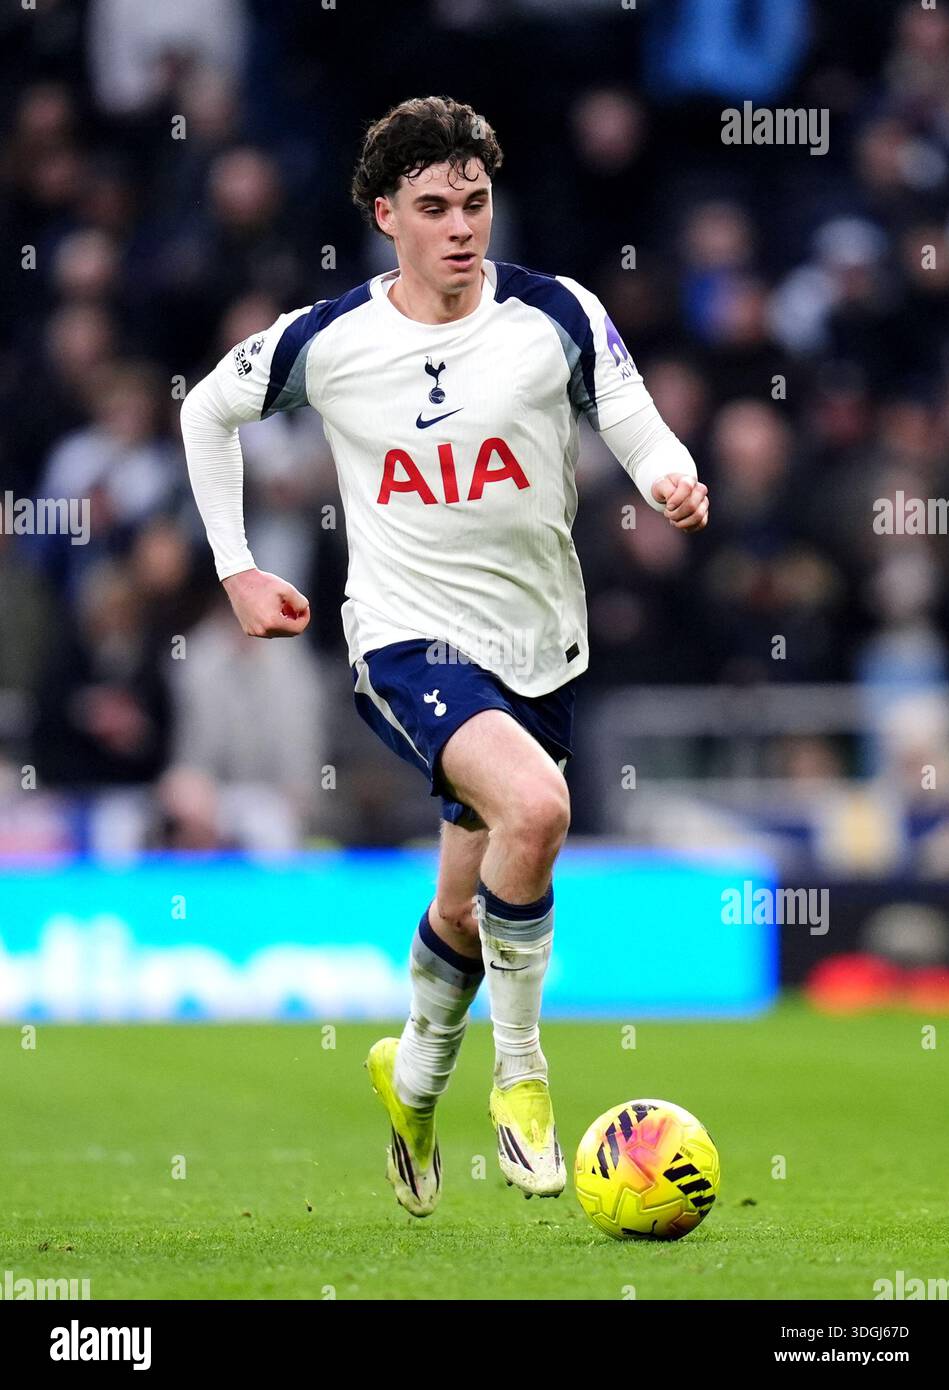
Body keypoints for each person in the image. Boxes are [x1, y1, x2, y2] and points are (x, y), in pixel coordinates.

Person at [180, 95, 708, 1217]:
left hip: (539, 647)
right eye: (433, 208)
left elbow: (628, 408)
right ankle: (521, 1078)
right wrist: (233, 565)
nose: (461, 227)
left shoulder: (552, 311)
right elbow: (204, 414)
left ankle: (413, 1075)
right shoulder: (329, 341)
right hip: (403, 637)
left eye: (473, 203)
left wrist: (668, 474)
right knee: (541, 808)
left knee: (469, 904)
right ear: (386, 216)